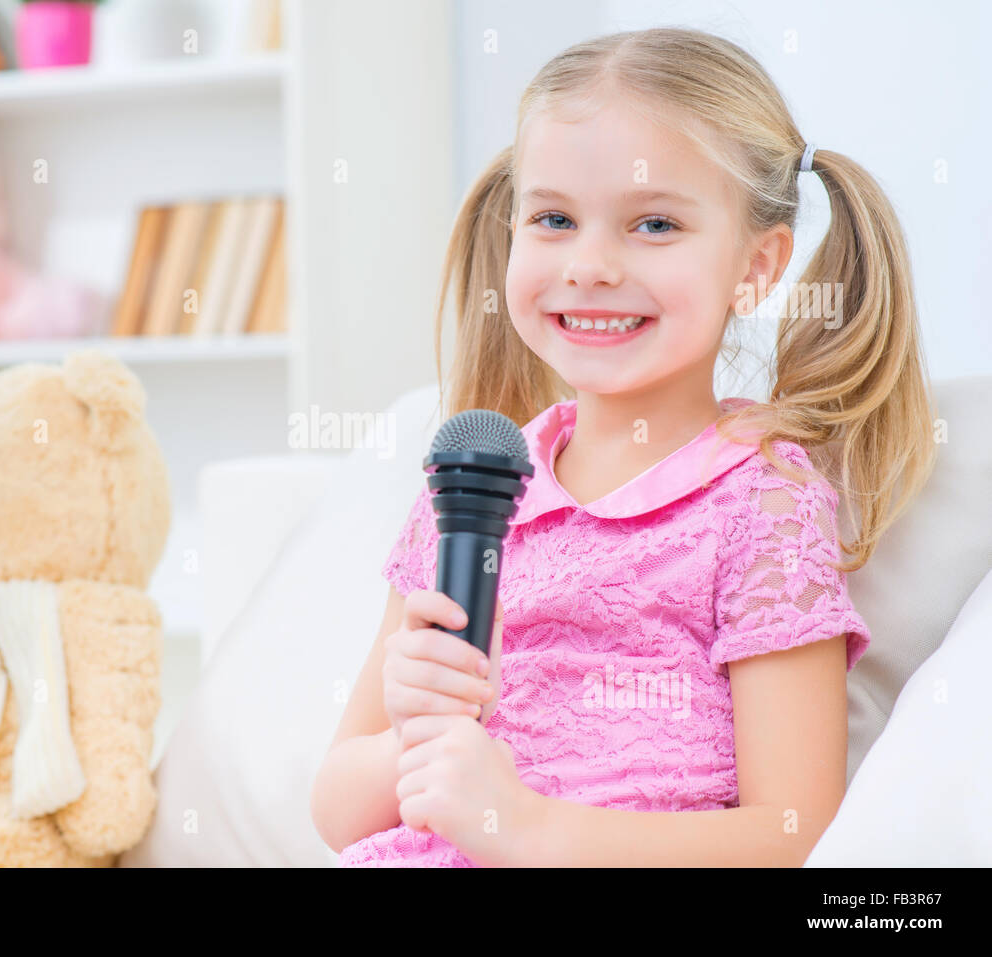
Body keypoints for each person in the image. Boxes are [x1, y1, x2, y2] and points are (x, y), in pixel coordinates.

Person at [310, 26, 937, 867]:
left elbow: (794, 831)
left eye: (653, 224)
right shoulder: (470, 484)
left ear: (758, 264)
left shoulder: (761, 499)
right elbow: (335, 809)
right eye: (555, 218)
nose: (591, 264)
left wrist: (522, 825)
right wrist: (416, 739)